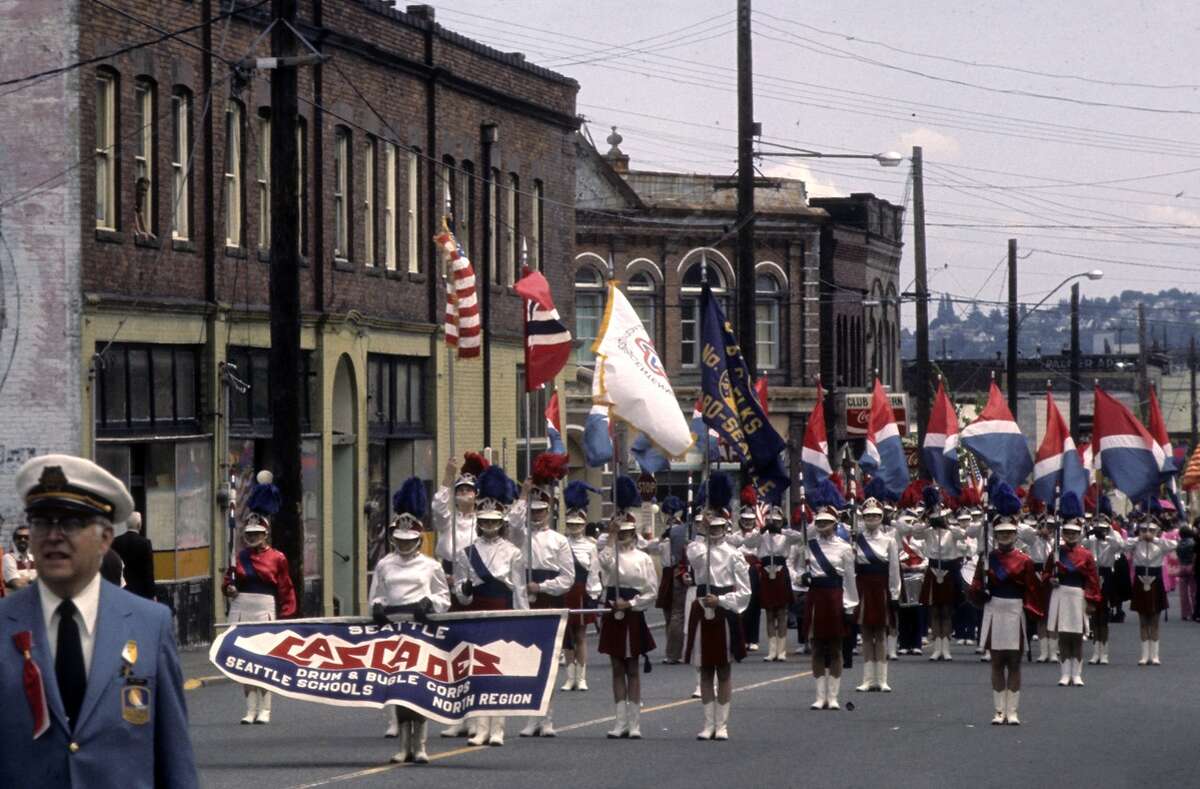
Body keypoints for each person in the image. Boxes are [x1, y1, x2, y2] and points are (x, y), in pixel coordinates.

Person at [0, 454, 199, 787]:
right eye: (42, 522)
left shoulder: (150, 625)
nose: (53, 535)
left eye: (71, 523)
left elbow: (175, 763)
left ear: (106, 539)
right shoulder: (5, 625)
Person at [369, 477, 451, 764]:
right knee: (399, 689)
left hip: (421, 629)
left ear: (419, 539)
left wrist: (430, 605)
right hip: (394, 632)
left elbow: (444, 597)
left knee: (420, 687)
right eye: (400, 540)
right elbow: (376, 596)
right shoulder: (384, 564)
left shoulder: (431, 566)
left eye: (410, 541)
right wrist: (377, 609)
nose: (404, 545)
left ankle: (421, 744)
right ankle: (404, 745)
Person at [450, 465, 527, 746]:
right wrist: (465, 591)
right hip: (477, 612)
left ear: (501, 522)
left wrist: (522, 619)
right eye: (485, 521)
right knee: (477, 670)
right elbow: (460, 592)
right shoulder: (465, 552)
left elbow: (518, 589)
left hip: (502, 611)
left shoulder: (513, 552)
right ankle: (480, 726)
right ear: (479, 522)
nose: (489, 526)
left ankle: (498, 727)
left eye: (494, 521)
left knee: (500, 670)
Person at [222, 471, 297, 725]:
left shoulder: (278, 558)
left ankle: (265, 708)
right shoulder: (238, 557)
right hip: (242, 608)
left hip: (265, 609)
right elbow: (228, 582)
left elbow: (286, 589)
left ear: (265, 533)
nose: (252, 537)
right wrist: (229, 588)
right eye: (250, 534)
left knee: (264, 660)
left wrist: (286, 617)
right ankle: (250, 708)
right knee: (244, 661)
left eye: (257, 534)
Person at [507, 455, 573, 738]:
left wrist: (544, 587)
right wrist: (524, 493)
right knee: (527, 663)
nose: (536, 515)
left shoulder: (559, 541)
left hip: (548, 602)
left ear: (549, 511)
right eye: (533, 511)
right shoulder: (519, 537)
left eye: (540, 511)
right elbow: (512, 521)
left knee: (549, 664)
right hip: (524, 604)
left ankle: (548, 718)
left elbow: (567, 579)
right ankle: (531, 717)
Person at [684, 473, 750, 741]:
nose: (713, 531)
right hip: (702, 607)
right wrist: (702, 534)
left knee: (723, 668)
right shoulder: (696, 548)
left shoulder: (735, 554)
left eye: (717, 527)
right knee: (705, 668)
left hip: (723, 610)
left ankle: (722, 724)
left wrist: (722, 601)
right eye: (709, 527)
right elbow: (697, 561)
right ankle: (708, 722)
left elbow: (745, 592)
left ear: (726, 527)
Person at [969, 484, 1041, 727]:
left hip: (1016, 611)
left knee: (1015, 661)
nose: (1005, 537)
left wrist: (1030, 612)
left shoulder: (1025, 561)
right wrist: (981, 591)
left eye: (1009, 533)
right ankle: (999, 710)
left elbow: (1033, 590)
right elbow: (975, 585)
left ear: (1015, 534)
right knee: (997, 661)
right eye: (1001, 533)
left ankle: (1013, 710)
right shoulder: (987, 558)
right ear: (996, 535)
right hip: (994, 610)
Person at [598, 477, 658, 740]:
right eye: (619, 533)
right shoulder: (610, 552)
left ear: (634, 533)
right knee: (616, 668)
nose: (623, 537)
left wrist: (632, 604)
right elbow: (605, 564)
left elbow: (651, 591)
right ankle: (619, 721)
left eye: (626, 533)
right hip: (613, 611)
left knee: (633, 667)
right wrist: (610, 537)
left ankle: (635, 722)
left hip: (631, 613)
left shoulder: (643, 558)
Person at [803, 506, 858, 711]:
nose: (822, 526)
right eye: (819, 522)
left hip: (835, 596)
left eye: (826, 522)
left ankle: (833, 695)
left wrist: (850, 606)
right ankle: (820, 695)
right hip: (816, 596)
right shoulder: (809, 545)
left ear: (835, 524)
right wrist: (801, 577)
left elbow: (850, 579)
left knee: (835, 647)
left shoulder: (844, 548)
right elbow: (796, 566)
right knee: (816, 646)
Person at [1045, 501, 1101, 687]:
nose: (1070, 536)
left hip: (1078, 596)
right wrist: (1050, 579)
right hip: (1060, 594)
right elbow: (1046, 573)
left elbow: (1093, 580)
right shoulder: (1056, 553)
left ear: (1079, 534)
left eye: (1074, 533)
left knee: (1076, 636)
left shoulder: (1086, 555)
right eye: (1067, 533)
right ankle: (1064, 673)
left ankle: (1077, 673)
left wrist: (1092, 601)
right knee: (1063, 635)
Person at [740, 503, 804, 662]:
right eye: (771, 522)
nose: (773, 524)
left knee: (782, 613)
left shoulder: (785, 535)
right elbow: (748, 542)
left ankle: (781, 650)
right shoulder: (761, 535)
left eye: (777, 521)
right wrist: (761, 530)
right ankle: (772, 649)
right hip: (766, 572)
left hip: (781, 571)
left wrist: (781, 530)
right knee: (769, 613)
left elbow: (800, 537)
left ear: (782, 521)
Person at [852, 498, 900, 692]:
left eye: (875, 516)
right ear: (863, 518)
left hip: (880, 588)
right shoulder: (855, 540)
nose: (871, 518)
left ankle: (882, 678)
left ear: (881, 518)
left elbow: (894, 569)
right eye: (868, 516)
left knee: (880, 633)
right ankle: (867, 678)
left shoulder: (889, 540)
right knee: (865, 633)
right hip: (863, 587)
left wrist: (895, 594)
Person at [914, 488, 967, 661]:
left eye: (942, 516)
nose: (939, 519)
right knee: (935, 610)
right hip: (933, 569)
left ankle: (946, 647)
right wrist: (926, 519)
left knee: (947, 610)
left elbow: (963, 534)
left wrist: (948, 525)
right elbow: (915, 532)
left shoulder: (952, 532)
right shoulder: (928, 531)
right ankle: (937, 647)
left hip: (948, 570)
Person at [560, 482, 602, 692]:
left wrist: (593, 595)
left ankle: (582, 676)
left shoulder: (591, 545)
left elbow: (594, 571)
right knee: (566, 636)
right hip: (565, 591)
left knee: (581, 635)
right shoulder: (560, 542)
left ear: (584, 524)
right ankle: (569, 676)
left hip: (582, 591)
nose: (574, 527)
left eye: (578, 524)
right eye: (571, 524)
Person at [1123, 513, 1177, 665]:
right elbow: (1121, 545)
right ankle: (1144, 654)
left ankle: (1155, 655)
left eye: (1151, 530)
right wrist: (1138, 538)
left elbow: (1174, 545)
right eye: (1144, 530)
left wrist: (1154, 539)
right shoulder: (1136, 543)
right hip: (1140, 580)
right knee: (1143, 619)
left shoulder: (1160, 544)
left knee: (1154, 619)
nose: (1147, 533)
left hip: (1155, 580)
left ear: (1157, 531)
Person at [432, 453, 488, 579]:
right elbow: (438, 507)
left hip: (476, 571)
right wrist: (448, 476)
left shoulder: (482, 521)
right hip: (449, 571)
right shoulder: (448, 521)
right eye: (460, 489)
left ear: (476, 494)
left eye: (468, 489)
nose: (463, 492)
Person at [653, 496, 689, 664]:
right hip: (667, 573)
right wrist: (663, 538)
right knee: (669, 614)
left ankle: (676, 652)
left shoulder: (683, 532)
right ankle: (671, 648)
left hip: (678, 571)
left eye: (672, 517)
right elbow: (652, 546)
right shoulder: (666, 535)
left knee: (677, 614)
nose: (670, 521)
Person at [1085, 514, 1124, 664]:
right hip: (1094, 574)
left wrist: (1108, 534)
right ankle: (1096, 651)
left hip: (1107, 574)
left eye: (1104, 526)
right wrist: (1088, 532)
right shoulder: (1092, 540)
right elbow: (1081, 544)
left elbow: (1119, 547)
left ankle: (1105, 652)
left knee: (1104, 617)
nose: (1101, 529)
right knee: (1094, 615)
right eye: (1099, 526)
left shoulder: (1112, 538)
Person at [1016, 515, 1056, 662]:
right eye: (1045, 526)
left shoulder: (1057, 542)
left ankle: (1053, 651)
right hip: (1037, 574)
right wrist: (1037, 532)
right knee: (1040, 614)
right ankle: (1044, 651)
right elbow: (1019, 530)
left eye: (1051, 527)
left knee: (1051, 614)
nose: (1048, 529)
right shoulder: (1033, 539)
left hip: (1051, 575)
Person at [731, 486, 763, 653]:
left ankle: (753, 639)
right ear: (740, 521)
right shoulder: (734, 537)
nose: (748, 523)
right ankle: (741, 638)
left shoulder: (758, 536)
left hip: (754, 571)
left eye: (750, 520)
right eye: (745, 520)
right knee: (741, 605)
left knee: (754, 605)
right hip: (739, 571)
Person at [111, 511, 156, 600]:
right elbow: (148, 571)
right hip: (140, 591)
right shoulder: (145, 543)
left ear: (127, 525)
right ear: (139, 525)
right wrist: (152, 594)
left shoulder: (116, 542)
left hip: (122, 589)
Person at [2, 522, 36, 592]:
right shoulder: (8, 558)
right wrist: (34, 580)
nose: (22, 540)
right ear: (14, 540)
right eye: (19, 537)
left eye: (26, 537)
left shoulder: (34, 558)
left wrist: (27, 580)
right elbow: (18, 585)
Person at [1173, 526, 1195, 622]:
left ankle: (1185, 613)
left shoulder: (1179, 544)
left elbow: (1177, 556)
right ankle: (1195, 611)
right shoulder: (1193, 543)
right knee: (1194, 591)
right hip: (1192, 566)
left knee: (1183, 592)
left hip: (1182, 566)